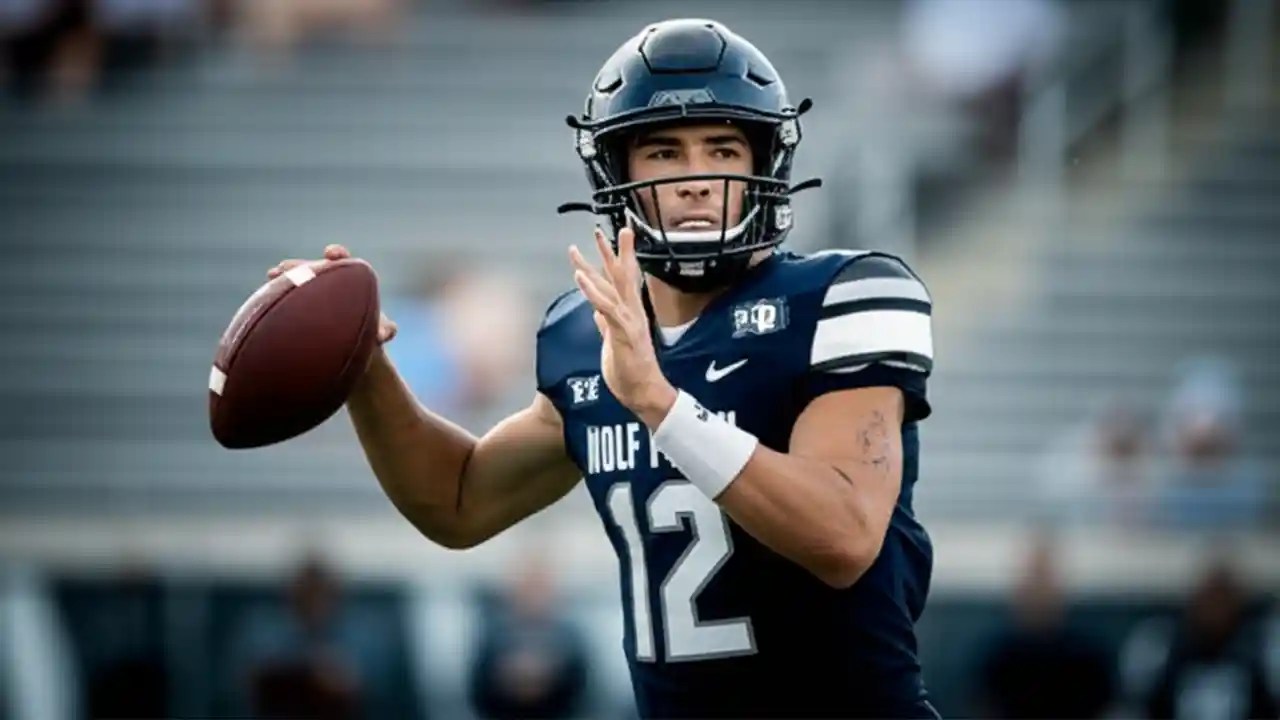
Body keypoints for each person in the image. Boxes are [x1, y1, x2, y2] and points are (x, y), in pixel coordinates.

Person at [268, 18, 938, 718]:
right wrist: (364, 367)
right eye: (663, 152)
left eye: (722, 148)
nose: (696, 180)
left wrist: (661, 403)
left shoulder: (845, 296)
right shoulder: (584, 336)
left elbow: (843, 537)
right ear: (617, 174)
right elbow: (459, 502)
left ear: (762, 165)